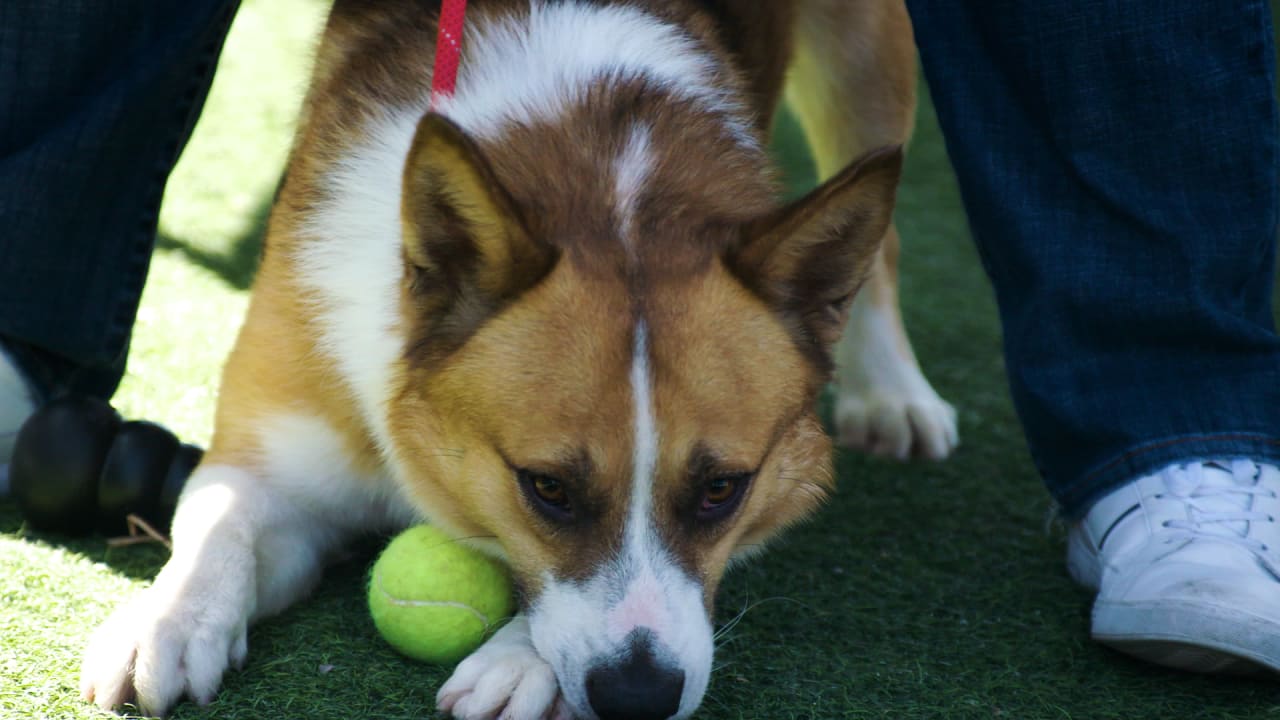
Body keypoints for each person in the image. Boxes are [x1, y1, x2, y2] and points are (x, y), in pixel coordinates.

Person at [2, 0, 1278, 677]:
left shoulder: (753, 322)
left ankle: (1132, 414)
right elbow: (260, 478)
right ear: (433, 278)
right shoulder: (398, 265)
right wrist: (206, 581)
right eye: (556, 494)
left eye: (709, 496)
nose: (645, 637)